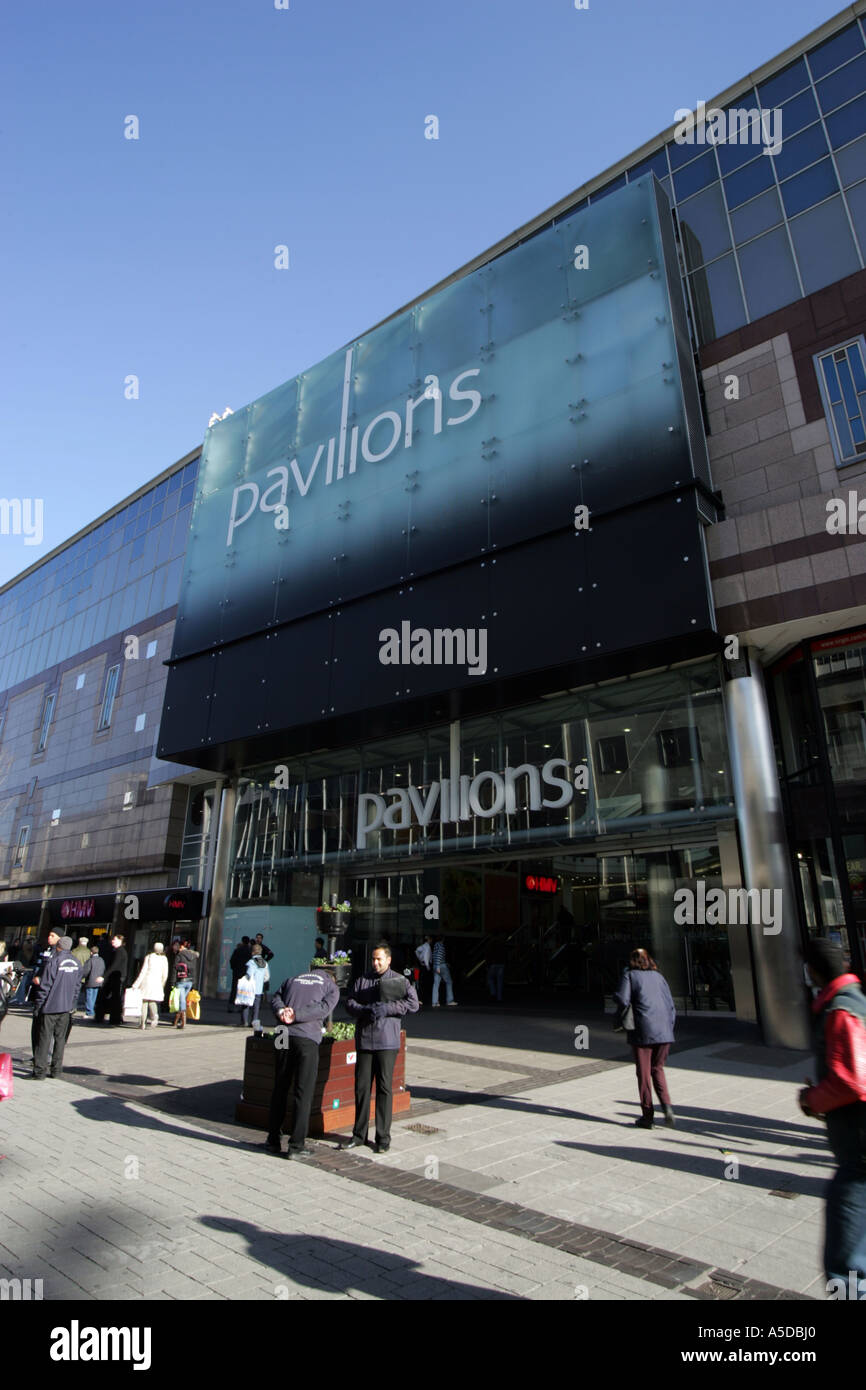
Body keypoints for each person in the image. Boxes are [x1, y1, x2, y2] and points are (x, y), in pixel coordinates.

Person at [799, 938, 866, 1299]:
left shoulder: (839, 1008)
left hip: (858, 1148)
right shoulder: (854, 999)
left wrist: (812, 1099)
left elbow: (852, 1080)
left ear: (813, 969)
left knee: (845, 1259)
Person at [343, 941, 419, 1153]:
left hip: (387, 1041)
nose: (375, 963)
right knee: (362, 1088)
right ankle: (359, 1135)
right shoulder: (363, 980)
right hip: (366, 1040)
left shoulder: (399, 980)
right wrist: (364, 1010)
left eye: (379, 959)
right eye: (373, 959)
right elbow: (349, 1003)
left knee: (385, 1088)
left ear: (388, 960)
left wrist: (388, 1008)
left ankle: (383, 1137)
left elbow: (413, 1004)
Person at [266, 967, 340, 1158]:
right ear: (331, 976)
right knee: (303, 1091)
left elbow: (275, 998)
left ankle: (272, 1140)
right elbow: (323, 1008)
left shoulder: (292, 978)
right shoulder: (331, 986)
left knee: (280, 1087)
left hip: (282, 1034)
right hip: (306, 1037)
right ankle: (296, 1146)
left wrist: (282, 1011)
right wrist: (296, 1015)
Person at [614, 947, 676, 1129]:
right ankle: (667, 1107)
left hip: (643, 1029)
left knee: (643, 1073)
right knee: (658, 1069)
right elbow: (670, 1004)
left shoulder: (630, 976)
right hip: (664, 1031)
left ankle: (647, 1116)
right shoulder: (659, 977)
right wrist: (669, 1027)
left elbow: (623, 1000)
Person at [31, 936, 83, 1079]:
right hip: (65, 1008)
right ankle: (56, 1070)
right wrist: (72, 1004)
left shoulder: (54, 961)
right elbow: (77, 987)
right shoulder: (76, 963)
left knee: (44, 1038)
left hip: (50, 1007)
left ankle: (40, 1071)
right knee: (60, 1040)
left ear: (58, 946)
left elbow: (45, 986)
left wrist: (39, 1005)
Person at [30, 930, 61, 1061]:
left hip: (47, 996)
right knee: (36, 1027)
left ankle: (43, 1057)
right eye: (49, 935)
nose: (49, 937)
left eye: (53, 936)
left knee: (45, 1029)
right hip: (39, 993)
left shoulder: (58, 954)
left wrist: (42, 980)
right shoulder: (47, 950)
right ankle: (37, 1055)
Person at [132, 941, 169, 1029]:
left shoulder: (149, 957)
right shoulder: (164, 959)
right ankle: (154, 1016)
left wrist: (136, 984)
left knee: (144, 1002)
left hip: (146, 981)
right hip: (157, 983)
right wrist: (162, 984)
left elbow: (143, 972)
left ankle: (142, 1023)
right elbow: (165, 974)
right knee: (152, 1001)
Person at [96, 934, 128, 1025]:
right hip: (116, 977)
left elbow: (114, 965)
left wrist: (104, 976)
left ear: (120, 941)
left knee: (114, 998)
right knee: (114, 998)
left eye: (114, 939)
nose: (112, 941)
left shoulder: (119, 951)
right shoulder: (118, 951)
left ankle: (112, 1017)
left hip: (116, 977)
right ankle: (114, 1017)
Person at [169, 938, 199, 1030]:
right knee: (182, 1000)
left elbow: (175, 969)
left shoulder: (180, 955)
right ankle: (176, 1020)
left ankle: (183, 1021)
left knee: (181, 1001)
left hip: (181, 981)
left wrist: (172, 982)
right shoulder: (193, 956)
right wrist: (194, 983)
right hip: (190, 981)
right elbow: (195, 969)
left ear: (182, 946)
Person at [240, 947, 269, 1029]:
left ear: (253, 952)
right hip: (259, 989)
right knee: (256, 1006)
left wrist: (244, 980)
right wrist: (260, 981)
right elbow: (267, 977)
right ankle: (254, 1021)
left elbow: (249, 974)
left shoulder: (251, 962)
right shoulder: (264, 963)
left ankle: (244, 1021)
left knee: (246, 1004)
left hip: (250, 988)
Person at [431, 936, 457, 1007]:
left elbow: (434, 956)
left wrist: (436, 965)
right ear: (443, 939)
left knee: (436, 984)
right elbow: (439, 956)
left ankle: (434, 1002)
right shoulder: (441, 946)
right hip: (441, 966)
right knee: (449, 982)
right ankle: (450, 1000)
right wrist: (439, 966)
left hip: (435, 966)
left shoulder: (435, 946)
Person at [81, 944, 105, 1018]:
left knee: (89, 997)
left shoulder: (90, 960)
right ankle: (91, 1010)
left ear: (91, 952)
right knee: (94, 997)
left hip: (90, 981)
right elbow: (103, 969)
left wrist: (81, 977)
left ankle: (89, 1012)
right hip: (98, 981)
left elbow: (86, 971)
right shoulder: (101, 960)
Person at [228, 937, 251, 1013]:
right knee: (244, 989)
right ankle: (242, 1006)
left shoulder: (237, 950)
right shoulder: (249, 951)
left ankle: (231, 1005)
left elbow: (232, 960)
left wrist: (234, 968)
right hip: (245, 972)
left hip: (237, 972)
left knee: (234, 988)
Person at [486, 936, 507, 1003]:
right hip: (501, 964)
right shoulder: (502, 945)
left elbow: (488, 955)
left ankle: (493, 993)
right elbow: (505, 955)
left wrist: (488, 965)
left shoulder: (490, 945)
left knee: (490, 979)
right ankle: (499, 997)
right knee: (499, 981)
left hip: (493, 964)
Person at [415, 935, 433, 1003]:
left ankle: (420, 998)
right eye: (431, 940)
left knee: (421, 982)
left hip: (422, 965)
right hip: (426, 966)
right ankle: (423, 999)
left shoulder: (423, 946)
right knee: (425, 983)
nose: (431, 941)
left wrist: (420, 959)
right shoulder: (428, 947)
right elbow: (426, 957)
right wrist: (428, 966)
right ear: (429, 940)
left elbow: (416, 951)